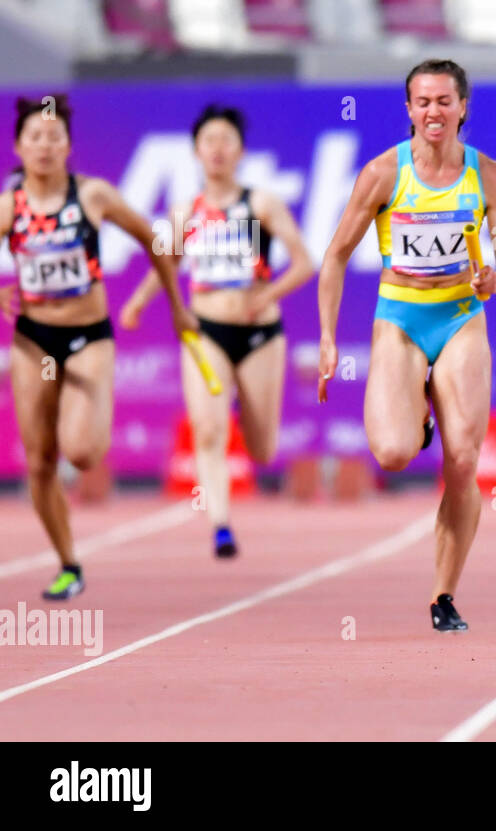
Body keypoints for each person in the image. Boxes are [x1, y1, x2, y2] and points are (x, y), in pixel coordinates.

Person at [317, 60, 496, 631]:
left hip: (459, 319)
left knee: (464, 461)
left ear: (463, 107)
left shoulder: (489, 176)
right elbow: (334, 257)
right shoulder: (383, 174)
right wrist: (329, 337)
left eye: (444, 101)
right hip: (400, 321)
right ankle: (420, 410)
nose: (434, 111)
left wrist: (495, 278)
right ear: (409, 109)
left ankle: (443, 594)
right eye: (423, 102)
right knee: (393, 452)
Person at [0, 94, 194, 598]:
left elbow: (154, 240)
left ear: (68, 146)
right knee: (39, 462)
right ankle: (69, 564)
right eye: (35, 137)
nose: (45, 146)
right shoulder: (10, 205)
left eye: (54, 137)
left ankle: (88, 412)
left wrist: (176, 306)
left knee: (83, 453)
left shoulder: (93, 196)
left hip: (88, 336)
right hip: (34, 340)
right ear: (19, 147)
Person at [120, 104, 315, 558]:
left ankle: (246, 407)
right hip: (205, 330)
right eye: (209, 141)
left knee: (262, 449)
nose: (217, 149)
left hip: (259, 335)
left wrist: (268, 296)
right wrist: (138, 302)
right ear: (196, 151)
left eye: (227, 140)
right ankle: (221, 526)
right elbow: (166, 264)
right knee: (207, 429)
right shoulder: (185, 211)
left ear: (240, 150)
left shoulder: (260, 204)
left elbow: (303, 263)